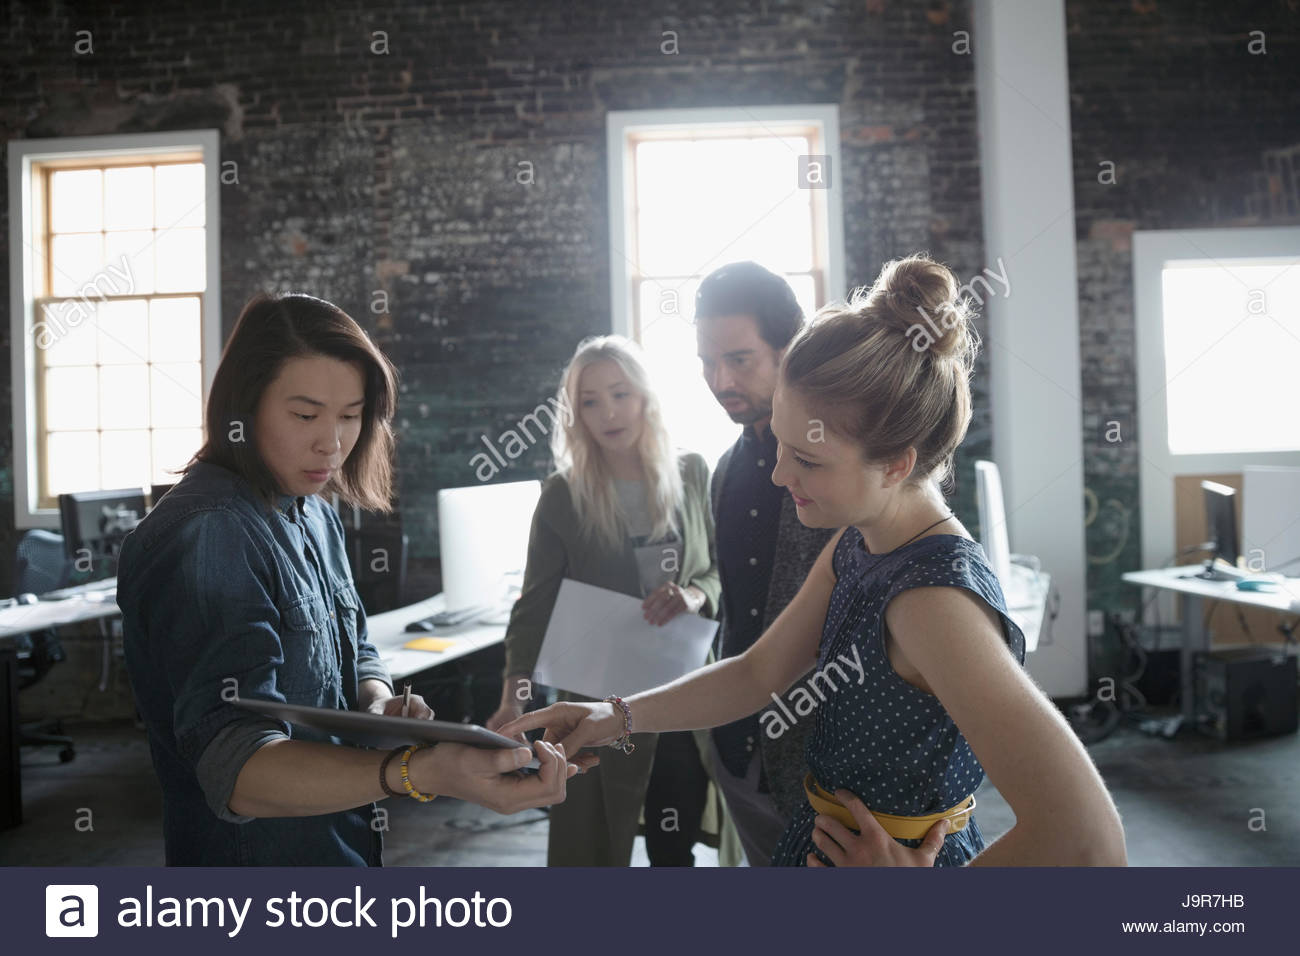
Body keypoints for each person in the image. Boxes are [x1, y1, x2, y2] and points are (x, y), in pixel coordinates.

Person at [502, 255, 1128, 867]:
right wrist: (612, 716)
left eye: (807, 459)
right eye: (780, 444)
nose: (779, 473)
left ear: (896, 463)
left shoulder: (933, 602)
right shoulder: (858, 542)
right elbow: (755, 673)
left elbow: (1088, 839)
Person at [119, 292, 574, 866]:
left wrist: (378, 703)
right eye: (305, 415)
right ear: (243, 408)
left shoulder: (312, 508)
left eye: (351, 415)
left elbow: (356, 649)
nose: (331, 443)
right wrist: (418, 770)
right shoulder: (208, 534)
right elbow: (237, 769)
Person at [485, 335, 733, 866]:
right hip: (595, 696)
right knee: (596, 841)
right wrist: (514, 698)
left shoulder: (691, 472)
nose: (608, 412)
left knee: (676, 834)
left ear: (645, 397)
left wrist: (693, 595)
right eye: (590, 401)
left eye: (620, 393)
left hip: (683, 690)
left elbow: (715, 571)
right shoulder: (563, 494)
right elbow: (534, 607)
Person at [693, 262, 835, 866]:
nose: (719, 378)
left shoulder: (836, 466)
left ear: (788, 350)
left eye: (739, 358)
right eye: (706, 361)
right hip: (739, 753)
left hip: (825, 769)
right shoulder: (725, 468)